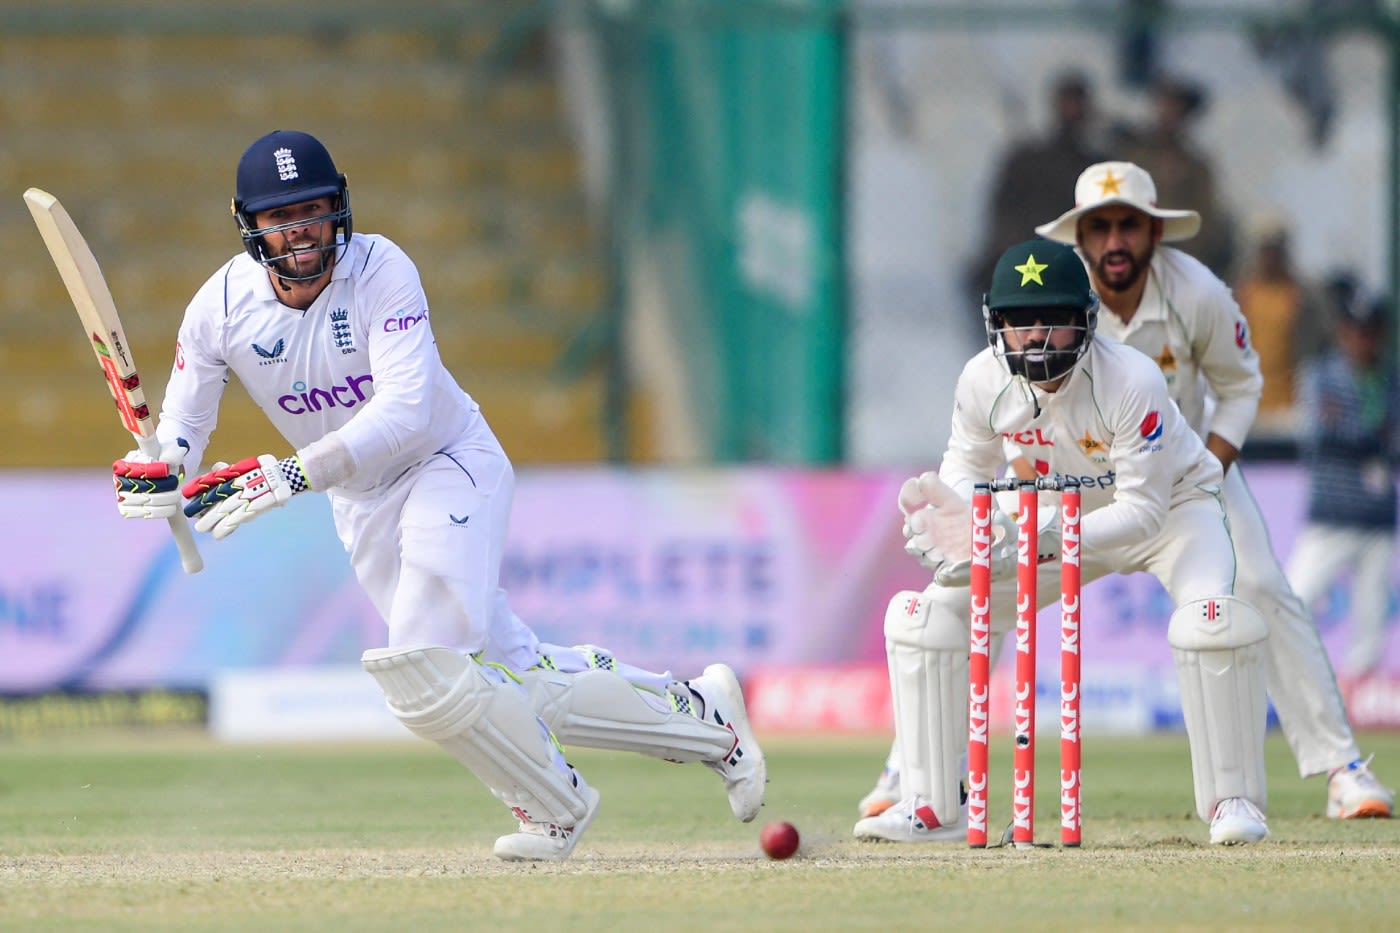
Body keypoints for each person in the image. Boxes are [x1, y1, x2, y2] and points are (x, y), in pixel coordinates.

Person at [108, 130, 766, 862]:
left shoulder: (382, 269)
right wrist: (160, 471)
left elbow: (407, 409)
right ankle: (707, 717)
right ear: (249, 225)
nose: (300, 232)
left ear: (338, 209)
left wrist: (292, 473)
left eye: (314, 210)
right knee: (513, 671)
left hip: (447, 462)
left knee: (422, 660)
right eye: (279, 218)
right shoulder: (218, 309)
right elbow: (183, 429)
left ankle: (556, 804)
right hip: (360, 502)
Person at [856, 238, 1272, 846]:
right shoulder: (981, 380)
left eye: (1054, 320)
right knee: (926, 618)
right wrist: (961, 532)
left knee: (1212, 623)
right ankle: (935, 806)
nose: (1037, 337)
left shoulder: (1131, 378)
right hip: (1051, 514)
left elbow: (1144, 514)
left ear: (1086, 320)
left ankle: (1234, 800)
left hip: (1172, 511)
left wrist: (1028, 535)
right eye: (1020, 322)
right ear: (996, 324)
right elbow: (964, 473)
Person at [1030, 160, 1390, 819]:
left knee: (1262, 587)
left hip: (1190, 476)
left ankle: (1342, 766)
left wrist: (1212, 467)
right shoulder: (1054, 292)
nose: (1115, 241)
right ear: (1078, 235)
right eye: (1100, 226)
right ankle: (917, 777)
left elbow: (1241, 384)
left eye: (1129, 226)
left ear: (1154, 232)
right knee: (998, 576)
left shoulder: (1197, 291)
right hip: (1083, 482)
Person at [1287, 289, 1400, 687]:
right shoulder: (1321, 374)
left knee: (1371, 618)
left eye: (1370, 332)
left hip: (1377, 518)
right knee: (1295, 601)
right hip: (1331, 514)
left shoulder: (1390, 381)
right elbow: (1319, 436)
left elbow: (1392, 442)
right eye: (1356, 331)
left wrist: (1362, 439)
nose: (1363, 340)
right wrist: (1374, 441)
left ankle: (1359, 697)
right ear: (1343, 332)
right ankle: (1288, 683)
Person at [966, 69, 1109, 311]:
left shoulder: (1099, 167)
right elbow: (1003, 215)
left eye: (1077, 103)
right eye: (1066, 102)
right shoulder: (1025, 159)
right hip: (1025, 259)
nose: (1071, 110)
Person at [1114, 76, 1237, 278]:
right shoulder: (1133, 157)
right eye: (1164, 106)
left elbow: (1204, 223)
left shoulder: (1197, 168)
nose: (1168, 114)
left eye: (1176, 109)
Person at [1232, 214, 1333, 437]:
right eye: (1265, 248)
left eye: (1275, 248)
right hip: (1246, 407)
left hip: (1291, 409)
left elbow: (1319, 347)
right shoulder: (1241, 294)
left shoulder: (1302, 296)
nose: (1270, 255)